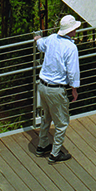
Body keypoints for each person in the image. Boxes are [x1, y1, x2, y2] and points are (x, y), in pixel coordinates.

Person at [34, 14, 82, 163]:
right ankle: (55, 153)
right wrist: (74, 89)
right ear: (71, 30)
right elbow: (73, 71)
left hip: (42, 85)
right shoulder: (71, 47)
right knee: (62, 122)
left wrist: (37, 38)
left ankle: (42, 146)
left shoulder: (53, 38)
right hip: (56, 89)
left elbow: (41, 44)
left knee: (46, 117)